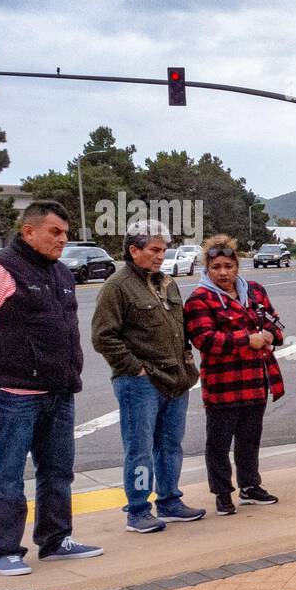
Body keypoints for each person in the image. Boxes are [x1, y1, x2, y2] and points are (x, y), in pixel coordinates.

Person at [0, 201, 103, 574]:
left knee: (57, 471)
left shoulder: (61, 274)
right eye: (55, 232)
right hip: (13, 395)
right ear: (28, 231)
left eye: (65, 233)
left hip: (59, 392)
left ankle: (55, 540)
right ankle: (5, 551)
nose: (62, 239)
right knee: (8, 473)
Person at [92, 218, 204, 532]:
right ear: (134, 250)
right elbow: (103, 336)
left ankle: (169, 501)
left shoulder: (167, 283)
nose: (161, 256)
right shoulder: (117, 286)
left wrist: (186, 363)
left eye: (164, 249)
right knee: (139, 449)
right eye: (155, 249)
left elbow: (180, 329)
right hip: (139, 384)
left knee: (170, 446)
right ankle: (138, 509)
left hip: (176, 381)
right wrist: (136, 369)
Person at [183, 235, 285, 516]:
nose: (223, 272)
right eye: (216, 267)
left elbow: (276, 326)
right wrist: (246, 339)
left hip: (255, 380)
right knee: (218, 442)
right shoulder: (199, 300)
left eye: (228, 266)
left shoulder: (255, 291)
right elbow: (204, 339)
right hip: (223, 384)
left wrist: (270, 335)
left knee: (250, 438)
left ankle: (250, 486)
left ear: (237, 266)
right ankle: (222, 493)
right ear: (207, 268)